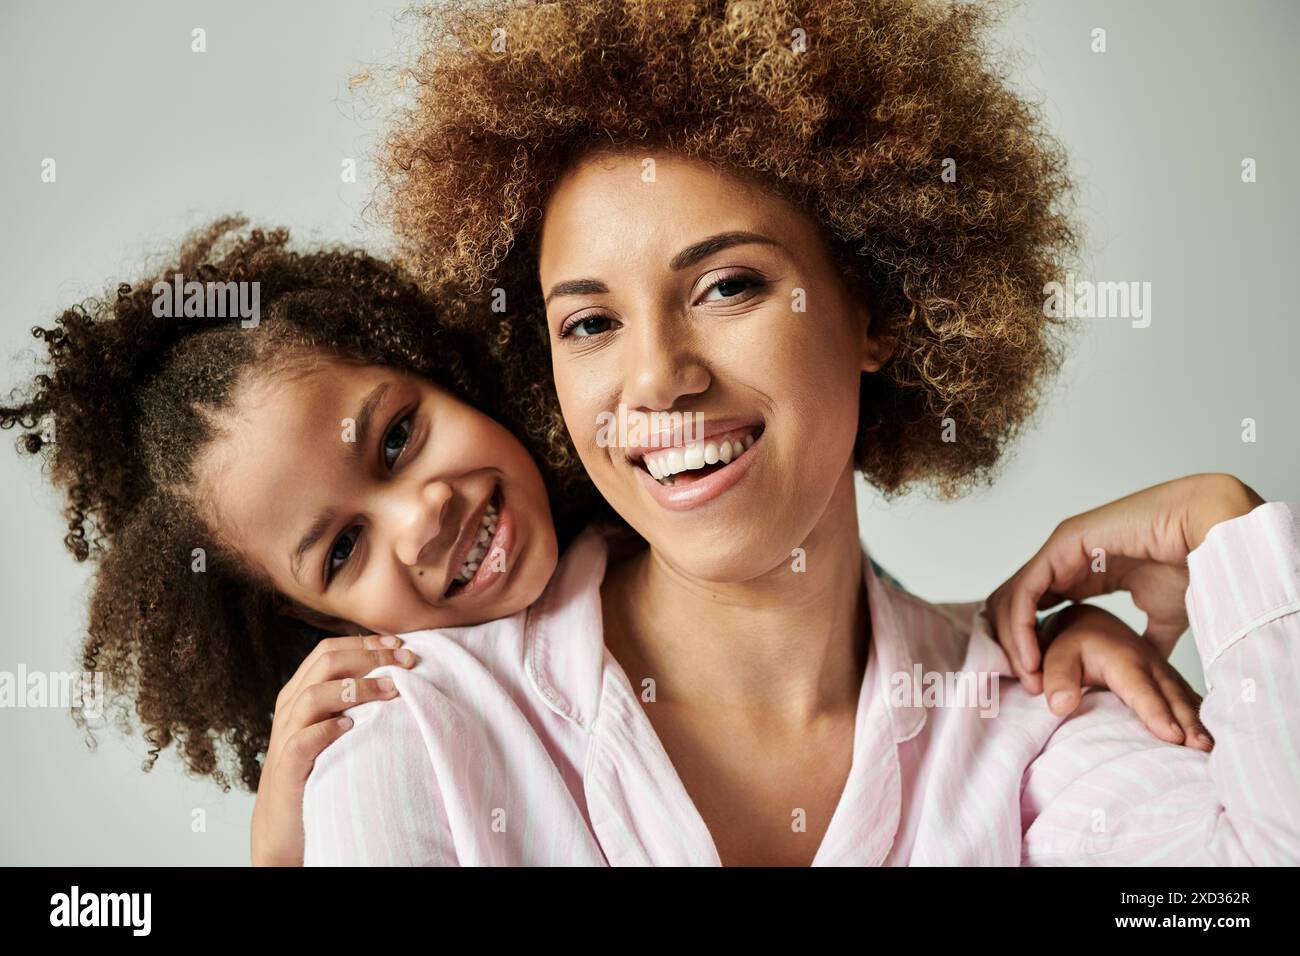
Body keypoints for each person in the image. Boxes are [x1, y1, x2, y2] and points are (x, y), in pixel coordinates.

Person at [296, 0, 1299, 865]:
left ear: (874, 307)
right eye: (591, 322)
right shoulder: (420, 734)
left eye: (727, 285)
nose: (655, 377)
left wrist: (1228, 531)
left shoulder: (1034, 710)